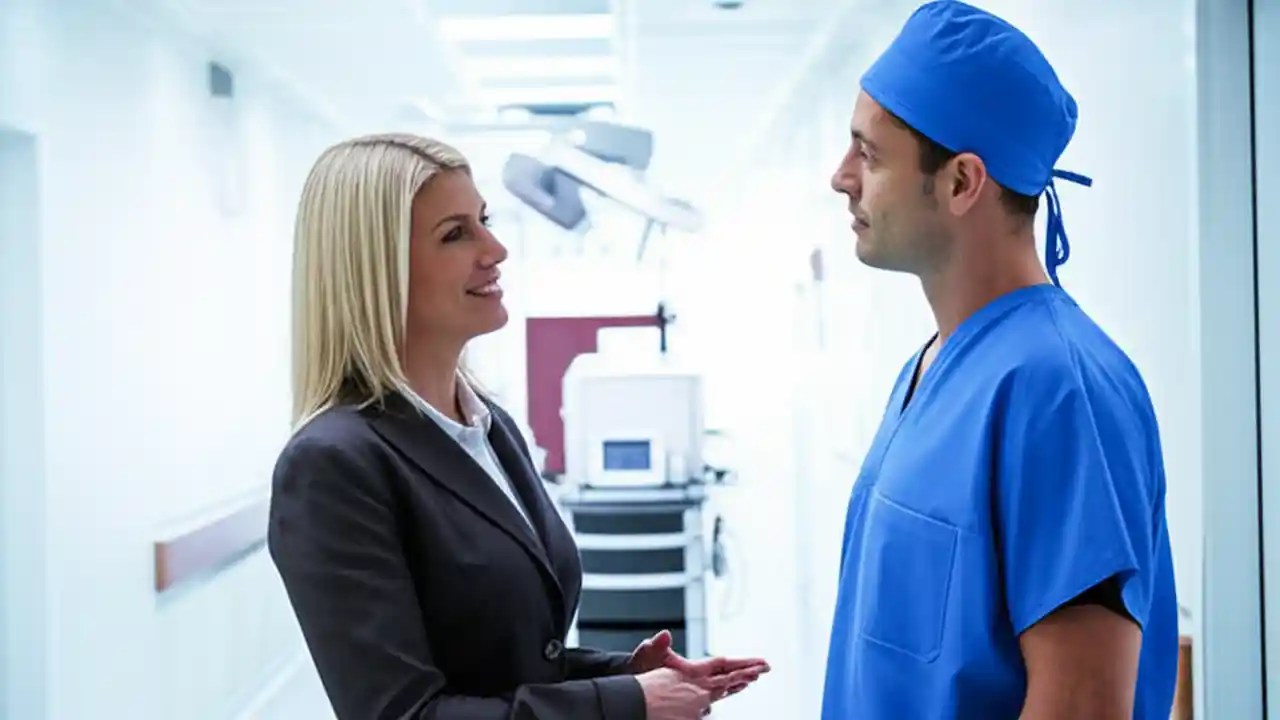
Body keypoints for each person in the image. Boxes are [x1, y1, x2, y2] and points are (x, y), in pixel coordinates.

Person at [267, 133, 769, 720]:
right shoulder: (334, 464)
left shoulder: (490, 427)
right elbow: (405, 713)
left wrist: (626, 674)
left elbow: (515, 663)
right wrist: (623, 703)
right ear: (377, 270)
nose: (496, 249)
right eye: (456, 234)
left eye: (484, 221)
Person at [821, 2, 1178, 719]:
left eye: (870, 154)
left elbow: (1082, 704)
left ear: (962, 182)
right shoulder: (931, 367)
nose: (841, 177)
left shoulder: (1058, 390)